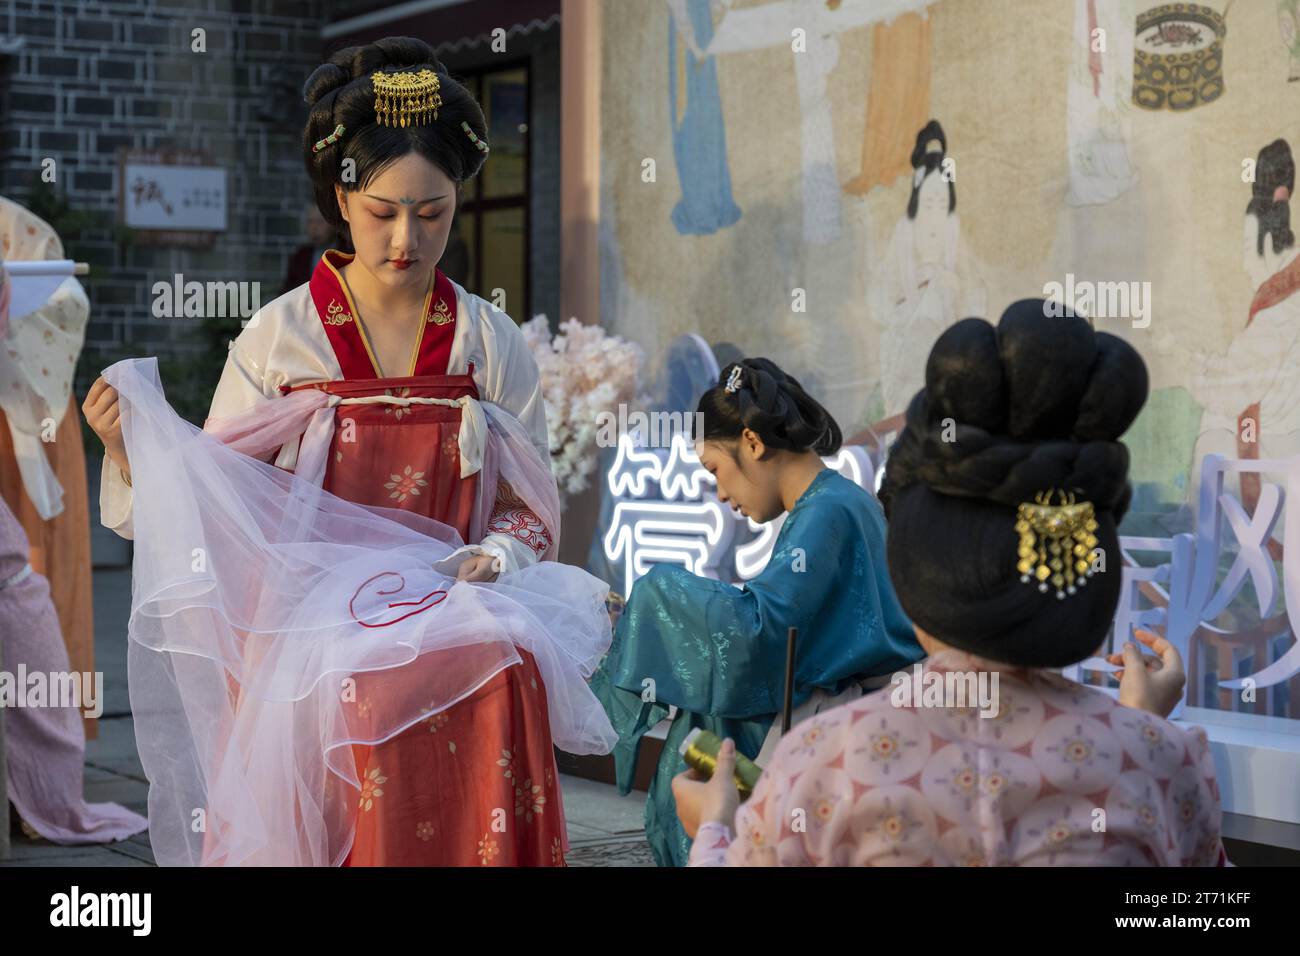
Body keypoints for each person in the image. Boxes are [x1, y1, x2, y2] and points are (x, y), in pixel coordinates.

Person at [83, 36, 613, 866]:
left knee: (506, 665)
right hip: (308, 619)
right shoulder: (281, 338)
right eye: (383, 212)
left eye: (432, 213)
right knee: (363, 692)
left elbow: (530, 508)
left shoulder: (488, 342)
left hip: (450, 602)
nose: (406, 238)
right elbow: (215, 507)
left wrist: (499, 556)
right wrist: (128, 450)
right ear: (342, 196)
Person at [676, 302, 1227, 866]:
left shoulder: (821, 764)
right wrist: (1138, 732)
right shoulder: (1165, 763)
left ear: (912, 562)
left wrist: (716, 831)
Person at [591, 357, 923, 866]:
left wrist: (662, 591)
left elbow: (761, 633)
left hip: (851, 724)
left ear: (752, 441)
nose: (721, 494)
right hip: (866, 720)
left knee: (668, 601)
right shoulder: (831, 502)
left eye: (715, 470)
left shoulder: (828, 510)